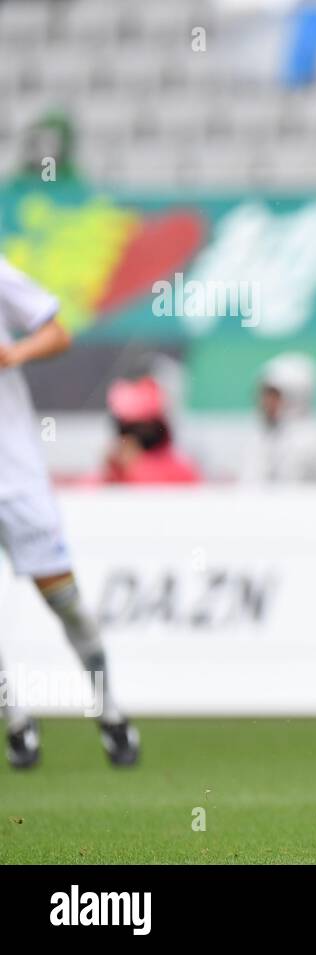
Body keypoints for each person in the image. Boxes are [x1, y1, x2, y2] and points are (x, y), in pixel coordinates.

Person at [0, 255, 140, 769]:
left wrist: (12, 355)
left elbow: (57, 334)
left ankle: (110, 713)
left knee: (65, 601)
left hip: (14, 474)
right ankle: (16, 722)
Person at [240, 352, 316, 483]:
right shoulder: (259, 439)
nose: (265, 402)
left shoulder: (313, 444)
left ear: (296, 397)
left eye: (273, 395)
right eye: (264, 394)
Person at [102, 376, 202, 485]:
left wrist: (131, 470)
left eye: (138, 427)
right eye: (126, 428)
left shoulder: (181, 471)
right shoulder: (113, 470)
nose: (132, 435)